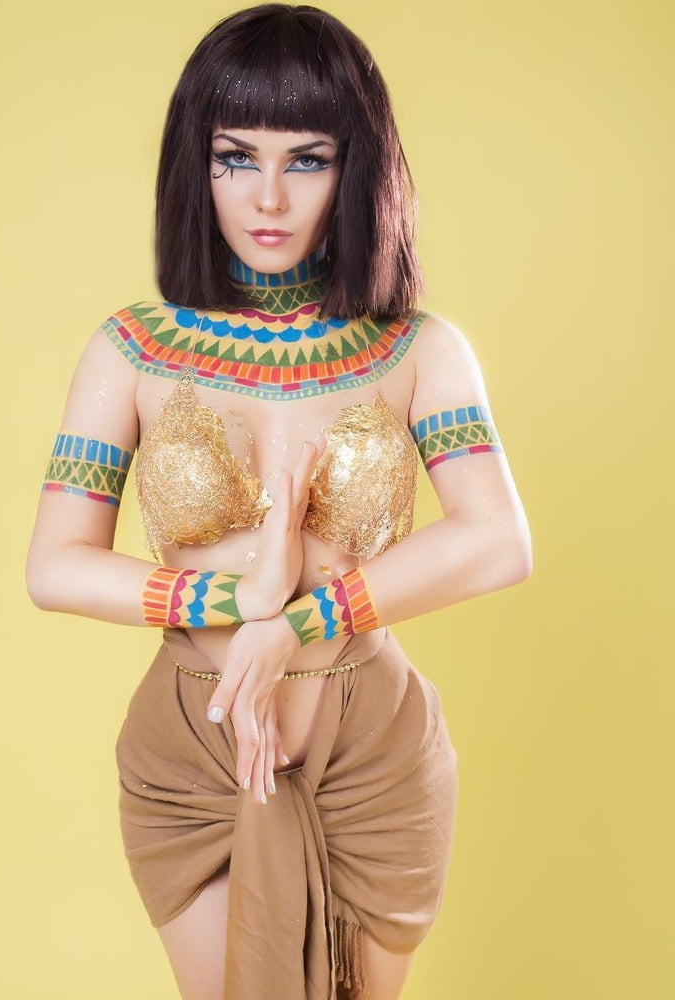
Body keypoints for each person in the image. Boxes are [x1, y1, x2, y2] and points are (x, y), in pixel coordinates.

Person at [26, 5, 532, 998]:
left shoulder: (418, 350)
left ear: (355, 168)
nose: (267, 196)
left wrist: (295, 620)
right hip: (192, 758)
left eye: (306, 159)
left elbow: (498, 541)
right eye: (234, 158)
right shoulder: (130, 350)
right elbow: (54, 566)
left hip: (374, 755)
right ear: (196, 165)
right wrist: (234, 600)